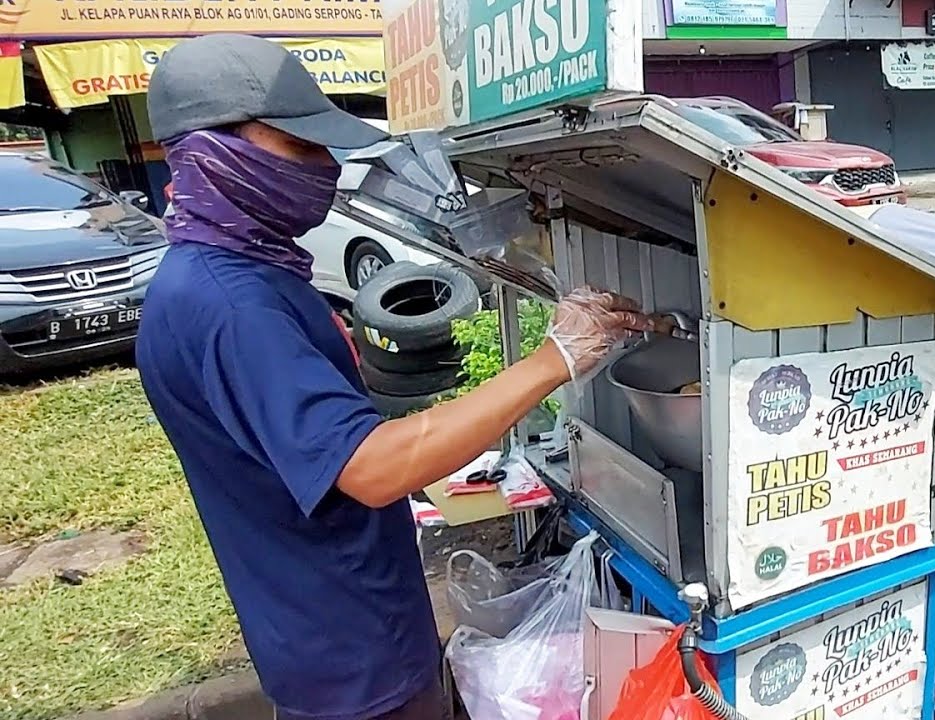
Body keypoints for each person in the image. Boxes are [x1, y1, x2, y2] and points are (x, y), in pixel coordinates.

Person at [137, 34, 651, 720]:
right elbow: (373, 468)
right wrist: (554, 357)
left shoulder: (233, 271)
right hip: (352, 656)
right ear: (217, 149)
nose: (323, 166)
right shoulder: (231, 304)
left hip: (329, 620)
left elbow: (290, 428)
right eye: (299, 145)